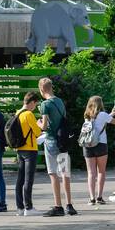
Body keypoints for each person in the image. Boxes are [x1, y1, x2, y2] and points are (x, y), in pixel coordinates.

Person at [36, 79, 76, 217]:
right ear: (51, 87)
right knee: (65, 173)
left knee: (53, 174)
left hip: (52, 141)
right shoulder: (59, 101)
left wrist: (39, 123)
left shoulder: (44, 104)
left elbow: (45, 126)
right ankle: (69, 205)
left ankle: (58, 206)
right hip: (63, 141)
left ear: (42, 89)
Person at [80, 95, 113, 206]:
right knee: (101, 172)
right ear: (100, 103)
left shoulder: (87, 115)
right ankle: (99, 197)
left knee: (90, 172)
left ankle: (92, 198)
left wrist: (111, 114)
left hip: (88, 144)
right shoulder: (103, 114)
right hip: (101, 144)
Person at [14, 91, 41, 215]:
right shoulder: (29, 114)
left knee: (20, 180)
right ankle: (28, 208)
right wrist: (39, 125)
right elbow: (37, 132)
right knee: (28, 180)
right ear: (32, 102)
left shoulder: (17, 113)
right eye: (35, 104)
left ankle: (20, 208)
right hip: (30, 149)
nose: (35, 107)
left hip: (20, 149)